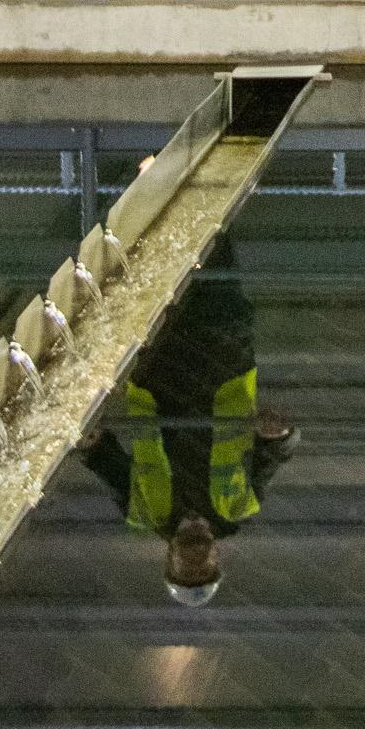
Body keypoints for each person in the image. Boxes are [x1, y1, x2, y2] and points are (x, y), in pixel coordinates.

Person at [83, 238, 298, 604]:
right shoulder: (237, 510)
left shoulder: (144, 514)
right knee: (213, 248)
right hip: (223, 353)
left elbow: (104, 459)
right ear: (218, 559)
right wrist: (280, 434)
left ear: (170, 560)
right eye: (205, 568)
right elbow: (272, 455)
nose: (197, 561)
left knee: (150, 266)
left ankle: (144, 189)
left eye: (187, 570)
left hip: (157, 363)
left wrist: (89, 440)